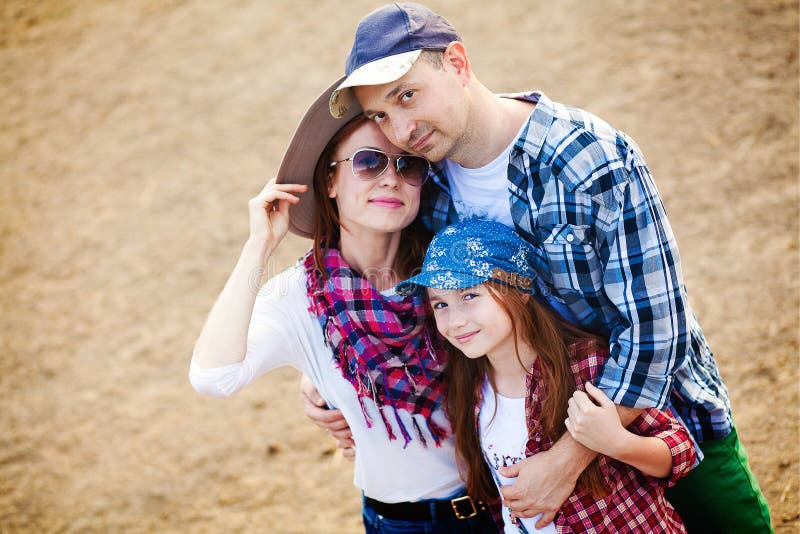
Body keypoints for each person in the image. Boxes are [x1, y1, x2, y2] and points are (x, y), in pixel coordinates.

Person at [304, 3, 773, 532]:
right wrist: (329, 372)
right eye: (383, 115)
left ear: (457, 64)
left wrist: (568, 459)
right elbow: (400, 297)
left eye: (407, 95)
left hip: (661, 426)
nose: (402, 129)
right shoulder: (424, 192)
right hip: (529, 454)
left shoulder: (588, 155)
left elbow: (655, 331)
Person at [189, 79, 497, 533]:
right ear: (329, 180)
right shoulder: (298, 298)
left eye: (408, 165)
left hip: (506, 503)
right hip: (404, 525)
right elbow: (214, 377)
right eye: (368, 163)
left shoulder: (452, 265)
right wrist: (258, 247)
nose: (391, 177)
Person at [395, 218, 697, 533]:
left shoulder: (585, 365)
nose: (454, 321)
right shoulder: (470, 389)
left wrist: (617, 442)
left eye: (469, 296)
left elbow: (680, 451)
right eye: (441, 304)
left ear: (520, 288)